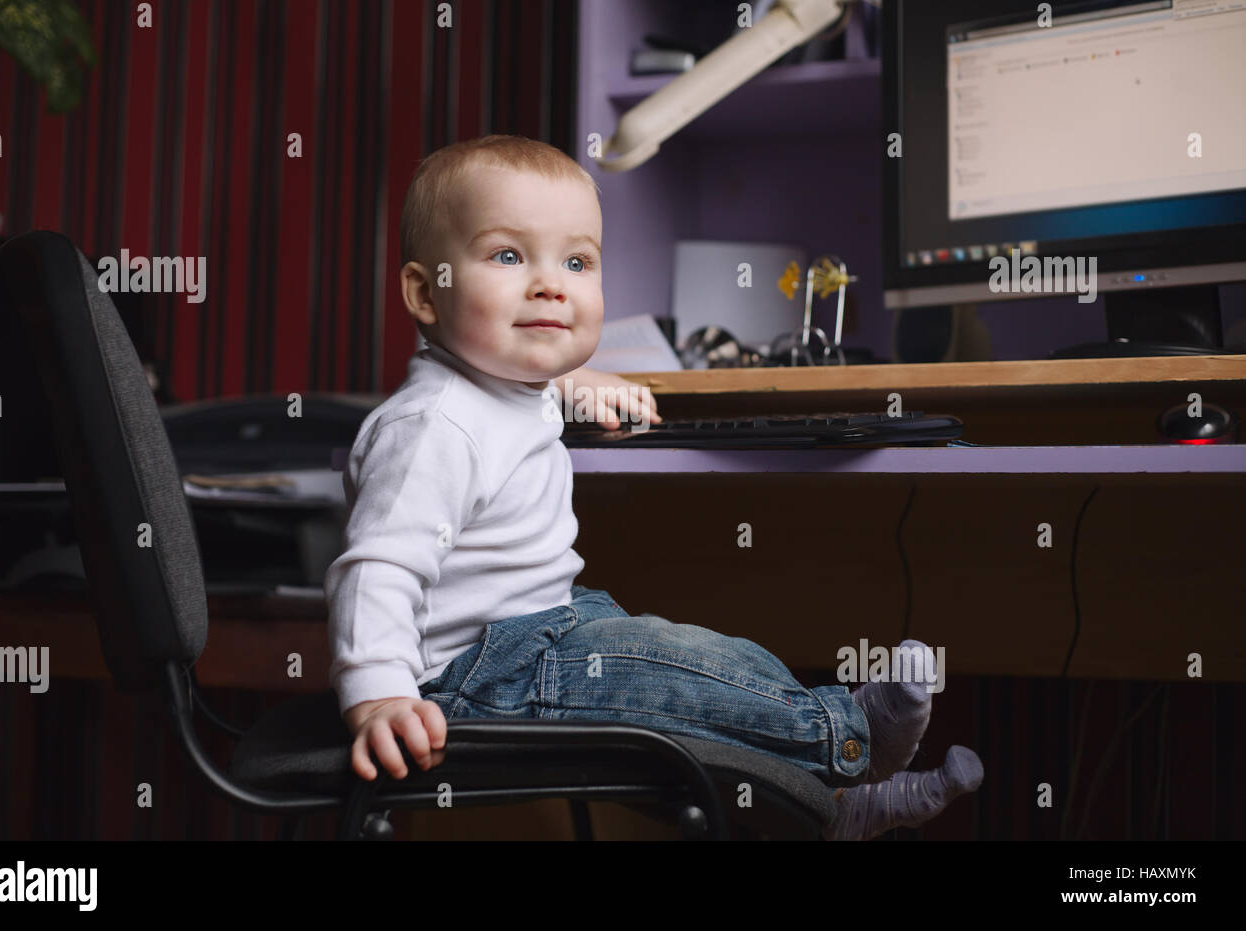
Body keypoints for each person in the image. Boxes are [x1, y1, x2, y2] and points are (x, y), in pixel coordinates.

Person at [324, 134, 983, 839]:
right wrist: (379, 695)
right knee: (667, 672)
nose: (550, 285)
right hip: (470, 678)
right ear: (426, 292)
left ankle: (831, 803)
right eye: (508, 256)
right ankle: (850, 735)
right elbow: (377, 569)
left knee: (703, 659)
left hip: (540, 628)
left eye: (576, 262)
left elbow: (524, 385)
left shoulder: (501, 384)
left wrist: (578, 381)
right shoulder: (433, 428)